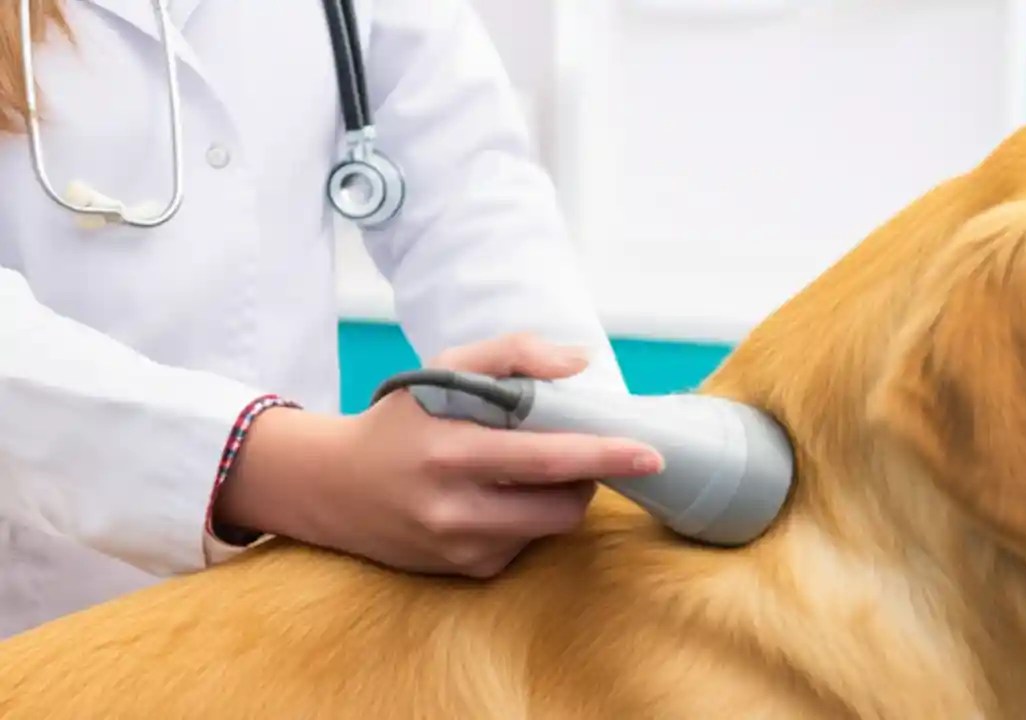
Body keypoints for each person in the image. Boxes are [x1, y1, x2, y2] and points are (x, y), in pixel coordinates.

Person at [0, 0, 663, 638]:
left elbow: (473, 199)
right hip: (33, 620)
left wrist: (576, 441)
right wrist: (285, 470)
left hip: (293, 620)